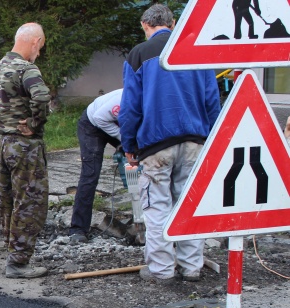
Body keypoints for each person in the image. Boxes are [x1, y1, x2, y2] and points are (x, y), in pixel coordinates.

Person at [118, 4, 221, 284]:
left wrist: (129, 143)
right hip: (195, 142)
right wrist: (212, 140)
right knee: (188, 205)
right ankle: (191, 267)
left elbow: (130, 107)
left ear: (144, 25)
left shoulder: (139, 54)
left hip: (156, 143)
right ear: (172, 23)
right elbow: (213, 102)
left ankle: (162, 270)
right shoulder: (197, 51)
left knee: (157, 207)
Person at [0, 22, 51, 279]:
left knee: (8, 200)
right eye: (41, 47)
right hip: (25, 146)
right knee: (30, 202)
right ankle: (19, 262)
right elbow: (42, 96)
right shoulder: (26, 68)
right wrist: (35, 123)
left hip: (3, 143)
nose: (39, 52)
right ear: (34, 42)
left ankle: (11, 250)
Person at [69, 89, 123, 243]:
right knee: (90, 174)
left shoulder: (154, 101)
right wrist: (123, 138)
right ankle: (77, 229)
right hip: (92, 124)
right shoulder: (122, 101)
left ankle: (145, 223)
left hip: (115, 122)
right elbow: (100, 118)